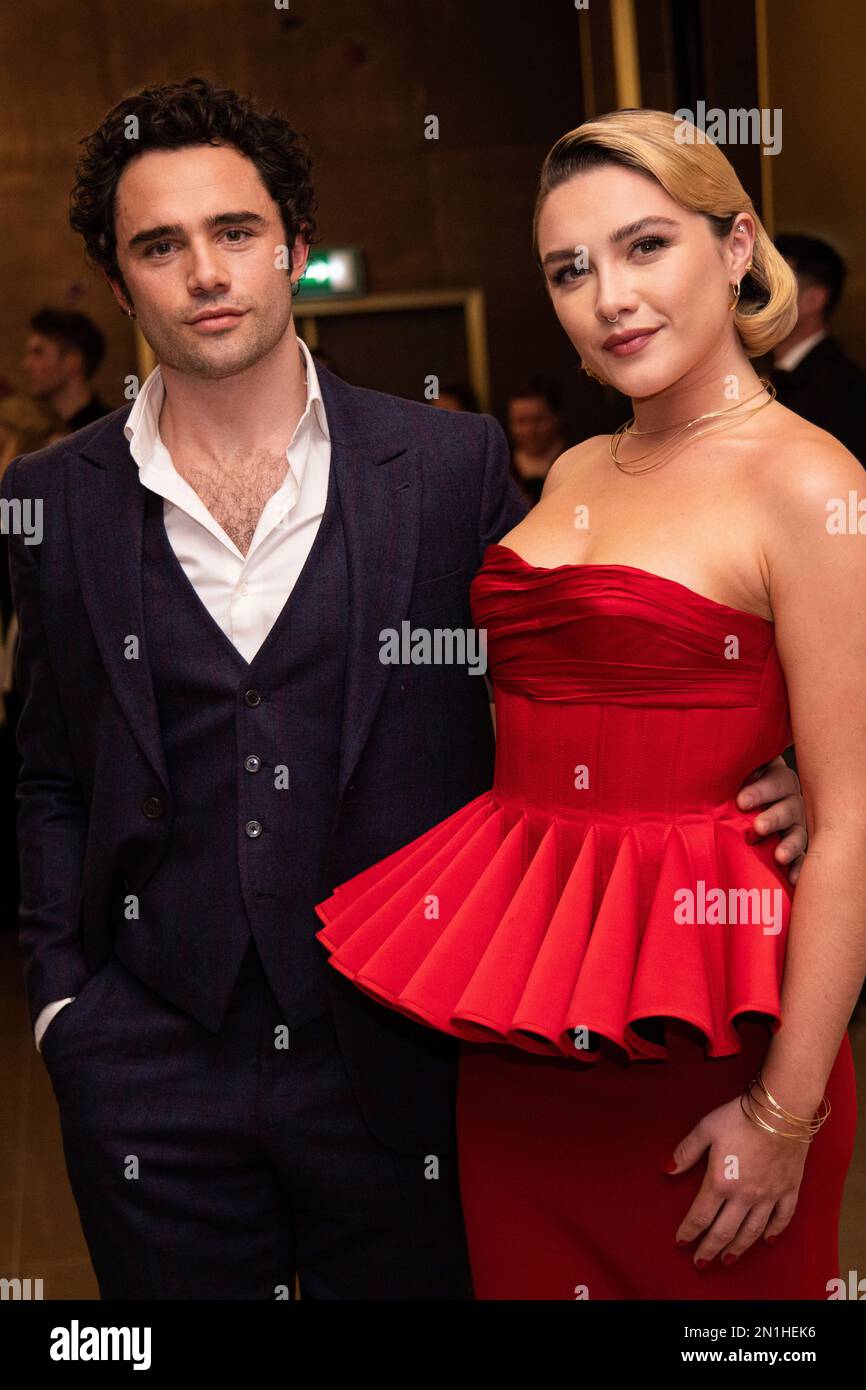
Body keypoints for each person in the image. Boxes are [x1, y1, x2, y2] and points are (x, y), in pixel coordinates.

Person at [1, 79, 806, 1302]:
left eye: (234, 233)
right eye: (159, 246)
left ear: (294, 249)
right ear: (121, 285)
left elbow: (589, 659)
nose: (204, 272)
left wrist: (783, 754)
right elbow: (47, 768)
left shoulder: (446, 464)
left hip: (402, 1052)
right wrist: (67, 1009)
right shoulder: (55, 502)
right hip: (149, 1063)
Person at [314, 109, 863, 1300]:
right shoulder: (570, 466)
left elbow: (850, 818)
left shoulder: (807, 479)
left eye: (644, 246)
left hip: (703, 1038)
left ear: (734, 247)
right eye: (570, 269)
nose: (606, 295)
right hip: (520, 1026)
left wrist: (785, 1113)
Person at [770, 234, 866, 464]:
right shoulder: (767, 373)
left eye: (778, 285)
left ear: (814, 299)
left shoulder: (844, 390)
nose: (764, 297)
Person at [21, 308, 111, 434]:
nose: (27, 365)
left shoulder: (107, 431)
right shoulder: (38, 433)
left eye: (38, 352)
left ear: (72, 362)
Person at [505, 378, 569, 503]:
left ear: (556, 418)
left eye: (539, 420)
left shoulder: (577, 459)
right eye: (521, 422)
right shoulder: (503, 467)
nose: (530, 431)